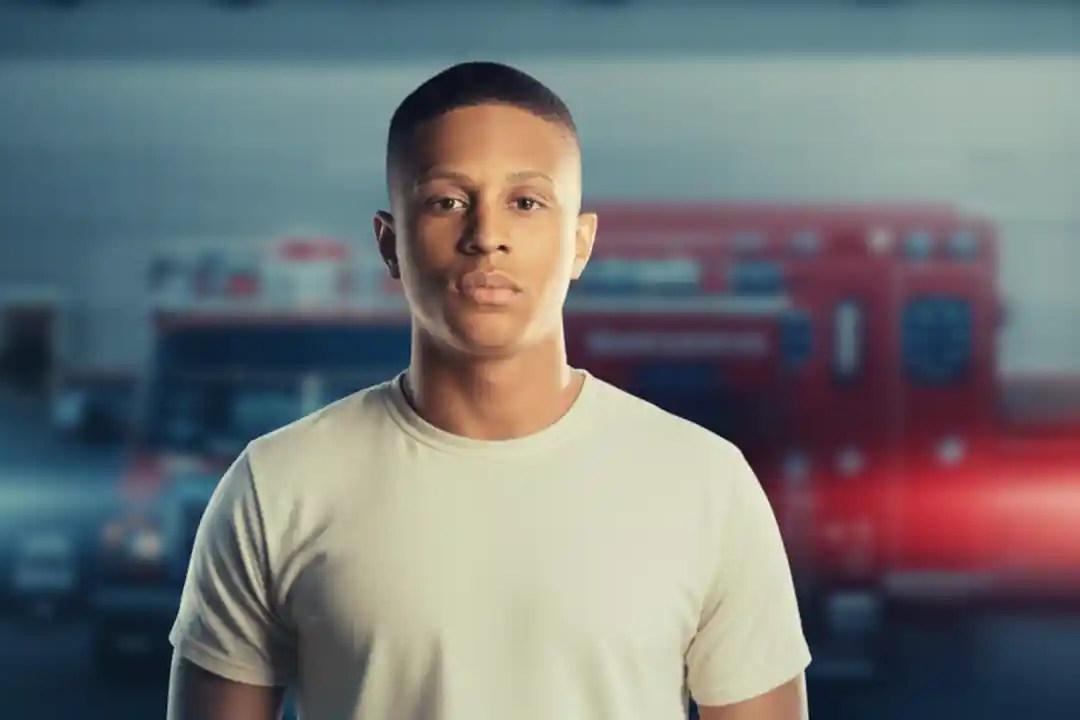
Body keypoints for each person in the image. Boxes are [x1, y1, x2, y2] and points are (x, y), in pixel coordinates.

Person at [166, 61, 812, 720]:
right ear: (389, 244)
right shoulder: (277, 486)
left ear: (581, 242)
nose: (486, 237)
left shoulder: (703, 482)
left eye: (526, 202)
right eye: (447, 201)